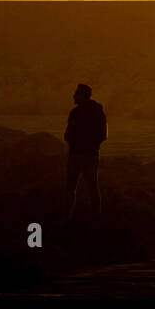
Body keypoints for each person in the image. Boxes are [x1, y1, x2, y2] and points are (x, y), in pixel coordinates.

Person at [64, 83, 108, 218]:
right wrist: (93, 145)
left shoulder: (75, 113)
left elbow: (67, 135)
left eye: (76, 93)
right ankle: (96, 217)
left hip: (76, 154)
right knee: (92, 188)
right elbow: (103, 135)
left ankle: (67, 215)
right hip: (91, 154)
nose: (74, 96)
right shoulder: (98, 112)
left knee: (70, 189)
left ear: (83, 96)